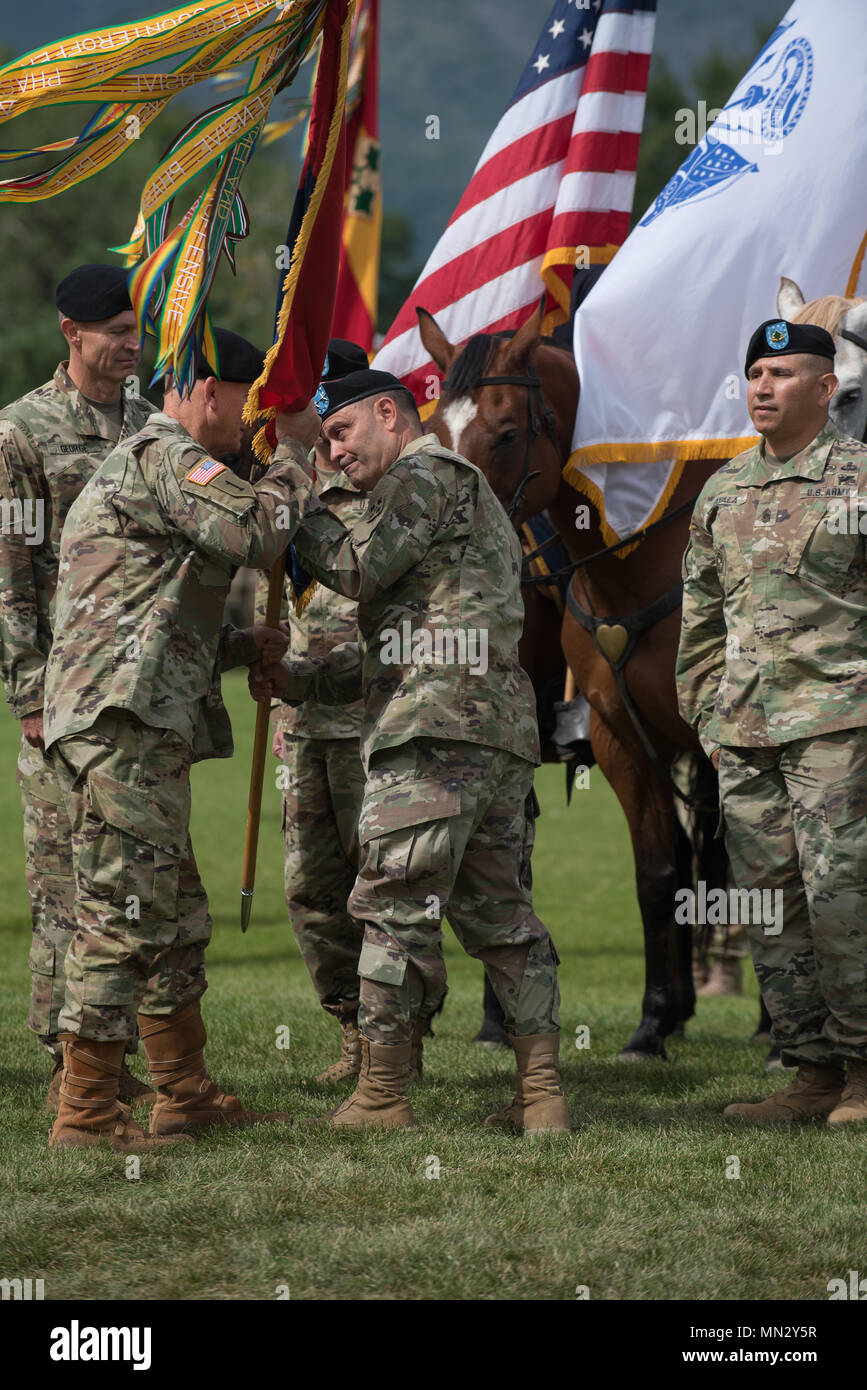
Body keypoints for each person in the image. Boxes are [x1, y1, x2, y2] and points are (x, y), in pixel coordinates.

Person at [249, 369, 568, 1133]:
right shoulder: (453, 492)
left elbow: (359, 567)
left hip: (432, 736)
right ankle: (541, 1096)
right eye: (324, 439)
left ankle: (382, 1096)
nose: (334, 453)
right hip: (486, 732)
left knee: (391, 908)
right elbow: (403, 643)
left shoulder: (425, 474)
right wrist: (299, 677)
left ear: (387, 414)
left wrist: (289, 476)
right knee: (500, 918)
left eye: (340, 434)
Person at [41, 328, 296, 1151]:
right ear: (209, 391)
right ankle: (84, 1114)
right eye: (252, 402)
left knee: (176, 919)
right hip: (122, 731)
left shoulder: (156, 460)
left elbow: (137, 616)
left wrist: (235, 648)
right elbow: (257, 532)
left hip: (136, 724)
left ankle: (182, 1094)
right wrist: (291, 455)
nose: (256, 421)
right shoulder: (167, 456)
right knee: (123, 918)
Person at [676, 318, 867, 1125]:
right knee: (770, 909)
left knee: (843, 901)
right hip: (745, 739)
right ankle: (810, 1073)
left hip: (839, 731)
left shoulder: (859, 481)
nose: (762, 386)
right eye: (754, 372)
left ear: (826, 388)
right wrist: (712, 726)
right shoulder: (721, 491)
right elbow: (697, 629)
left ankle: (862, 1073)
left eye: (782, 373)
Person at [0, 264, 155, 1110]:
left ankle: (111, 1049)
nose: (131, 346)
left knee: (122, 880)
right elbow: (9, 573)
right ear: (73, 332)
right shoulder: (22, 432)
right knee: (62, 882)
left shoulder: (149, 424)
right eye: (116, 333)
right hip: (62, 695)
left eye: (138, 331)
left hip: (135, 692)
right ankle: (67, 1060)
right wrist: (28, 694)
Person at [258, 340, 371, 1084]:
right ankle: (353, 1030)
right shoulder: (287, 487)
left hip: (373, 720)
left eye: (325, 400)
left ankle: (400, 1036)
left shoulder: (390, 490)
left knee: (382, 888)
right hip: (302, 729)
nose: (315, 415)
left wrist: (299, 678)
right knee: (311, 892)